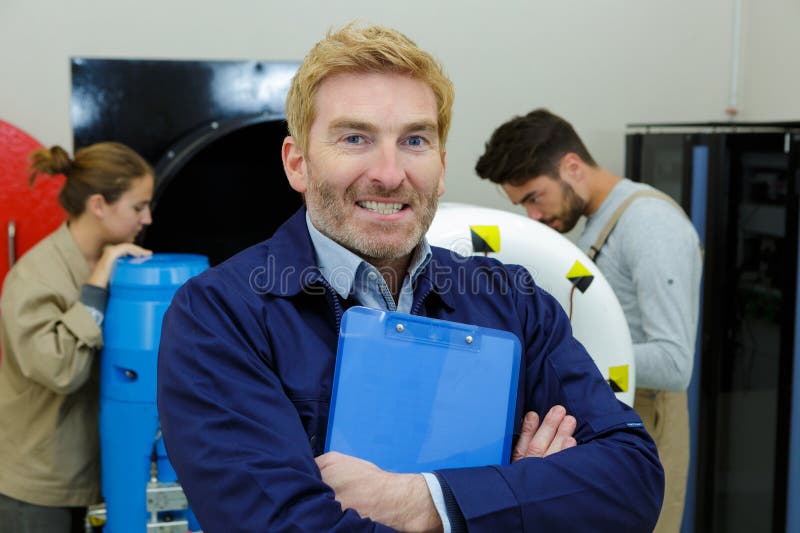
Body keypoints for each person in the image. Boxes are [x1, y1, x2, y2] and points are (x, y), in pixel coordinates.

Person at [157, 24, 663, 533]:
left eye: (414, 140)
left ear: (441, 169)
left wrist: (430, 502)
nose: (389, 173)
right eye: (355, 138)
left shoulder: (515, 302)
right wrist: (519, 497)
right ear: (298, 164)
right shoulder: (220, 317)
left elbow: (633, 481)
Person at [475, 108, 703, 533]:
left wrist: (557, 353)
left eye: (534, 197)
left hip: (647, 420)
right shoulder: (599, 220)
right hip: (605, 415)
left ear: (572, 167)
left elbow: (675, 363)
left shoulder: (650, 225)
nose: (534, 216)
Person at [0, 142, 154, 532]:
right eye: (138, 207)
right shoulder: (36, 276)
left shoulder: (121, 265)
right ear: (99, 204)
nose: (148, 218)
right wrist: (95, 287)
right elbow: (61, 371)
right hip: (37, 490)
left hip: (93, 479)